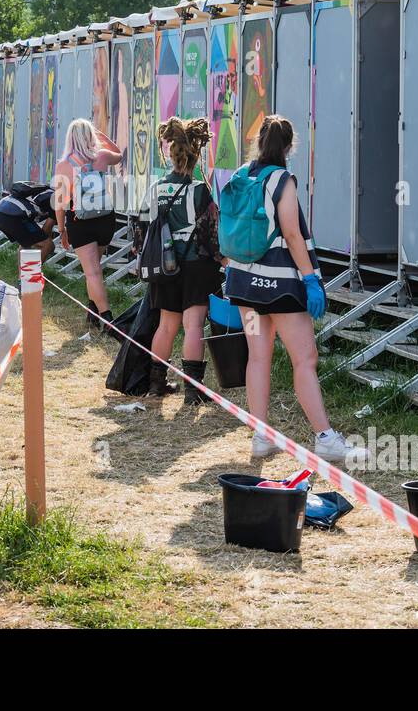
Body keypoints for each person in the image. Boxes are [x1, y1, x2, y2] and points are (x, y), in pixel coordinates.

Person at [223, 116, 370, 467]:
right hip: (281, 290)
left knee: (258, 357)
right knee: (304, 360)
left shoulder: (242, 176)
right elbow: (291, 233)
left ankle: (261, 436)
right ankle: (325, 438)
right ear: (290, 147)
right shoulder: (281, 180)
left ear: (258, 141)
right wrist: (310, 279)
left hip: (245, 287)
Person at [134, 117, 223, 403]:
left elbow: (139, 230)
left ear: (171, 155)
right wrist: (222, 260)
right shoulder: (199, 190)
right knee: (194, 324)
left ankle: (156, 384)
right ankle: (193, 392)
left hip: (165, 266)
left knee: (166, 325)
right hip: (196, 266)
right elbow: (212, 234)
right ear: (195, 156)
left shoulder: (156, 188)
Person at [52, 118, 123, 331]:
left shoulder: (64, 165)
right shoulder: (102, 157)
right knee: (94, 269)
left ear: (70, 139)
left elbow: (60, 203)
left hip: (80, 222)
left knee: (92, 272)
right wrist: (103, 136)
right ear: (91, 136)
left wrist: (62, 229)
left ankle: (108, 320)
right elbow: (119, 154)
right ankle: (92, 313)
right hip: (105, 219)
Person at [0, 182, 56, 260]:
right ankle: (31, 272)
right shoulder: (58, 200)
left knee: (26, 243)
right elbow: (47, 228)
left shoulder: (46, 191)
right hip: (13, 216)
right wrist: (45, 242)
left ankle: (22, 272)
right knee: (48, 245)